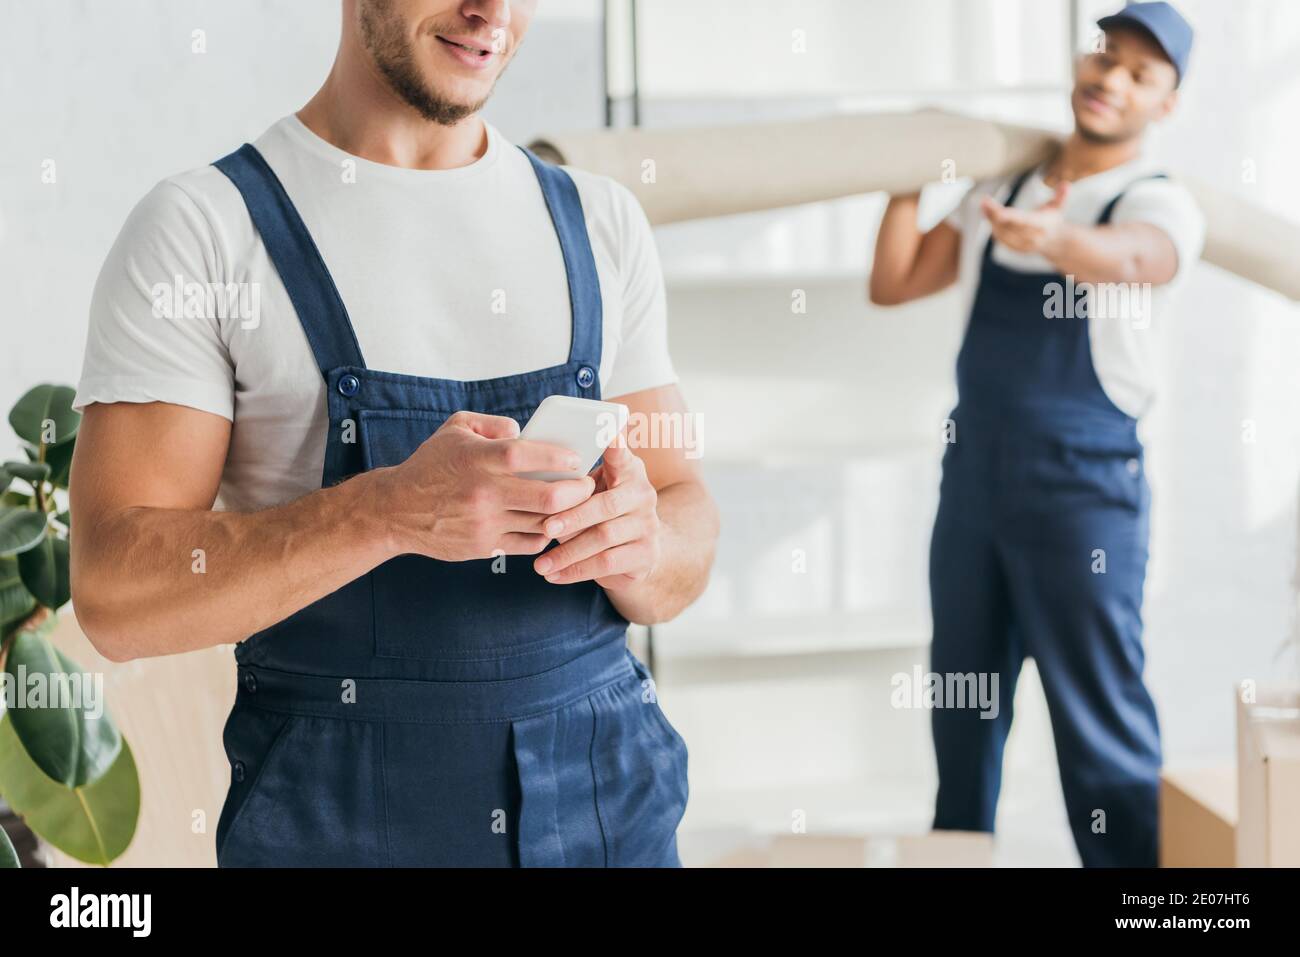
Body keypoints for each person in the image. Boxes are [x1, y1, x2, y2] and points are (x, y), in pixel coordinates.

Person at [69, 0, 718, 867]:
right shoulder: (203, 234)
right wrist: (383, 513)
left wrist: (643, 540)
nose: (491, 12)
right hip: (340, 830)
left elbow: (686, 517)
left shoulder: (599, 223)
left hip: (613, 821)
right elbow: (114, 592)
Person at [869, 2, 1204, 866]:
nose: (1112, 78)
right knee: (963, 708)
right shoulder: (999, 190)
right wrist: (907, 174)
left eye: (1141, 73)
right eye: (1106, 56)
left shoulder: (1159, 203)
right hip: (974, 480)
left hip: (1083, 496)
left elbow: (1135, 259)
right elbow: (895, 281)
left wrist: (1054, 239)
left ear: (1166, 104)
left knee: (1098, 722)